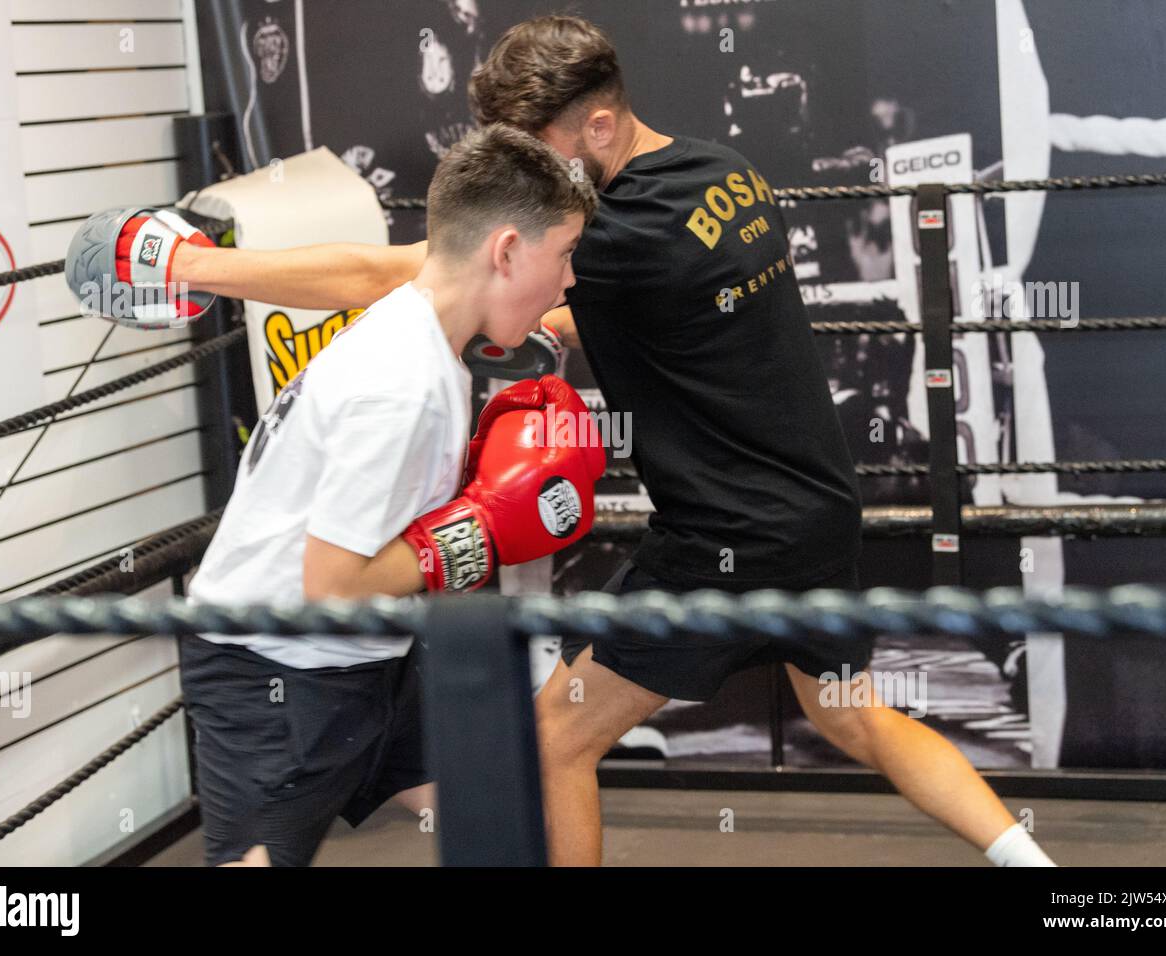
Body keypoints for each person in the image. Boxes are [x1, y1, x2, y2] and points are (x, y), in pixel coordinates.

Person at [154, 16, 1055, 868]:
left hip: (721, 540)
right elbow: (666, 313)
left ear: (596, 122)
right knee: (858, 719)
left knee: (554, 737)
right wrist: (554, 329)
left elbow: (387, 274)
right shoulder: (725, 172)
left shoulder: (617, 234)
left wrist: (194, 265)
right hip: (815, 511)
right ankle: (1032, 861)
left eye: (532, 149)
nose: (521, 175)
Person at [67, 123, 601, 865]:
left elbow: (357, 271)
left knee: (508, 804)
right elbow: (332, 583)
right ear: (506, 250)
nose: (569, 283)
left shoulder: (419, 329)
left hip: (366, 657)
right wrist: (475, 529)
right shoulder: (400, 383)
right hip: (272, 668)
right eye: (565, 255)